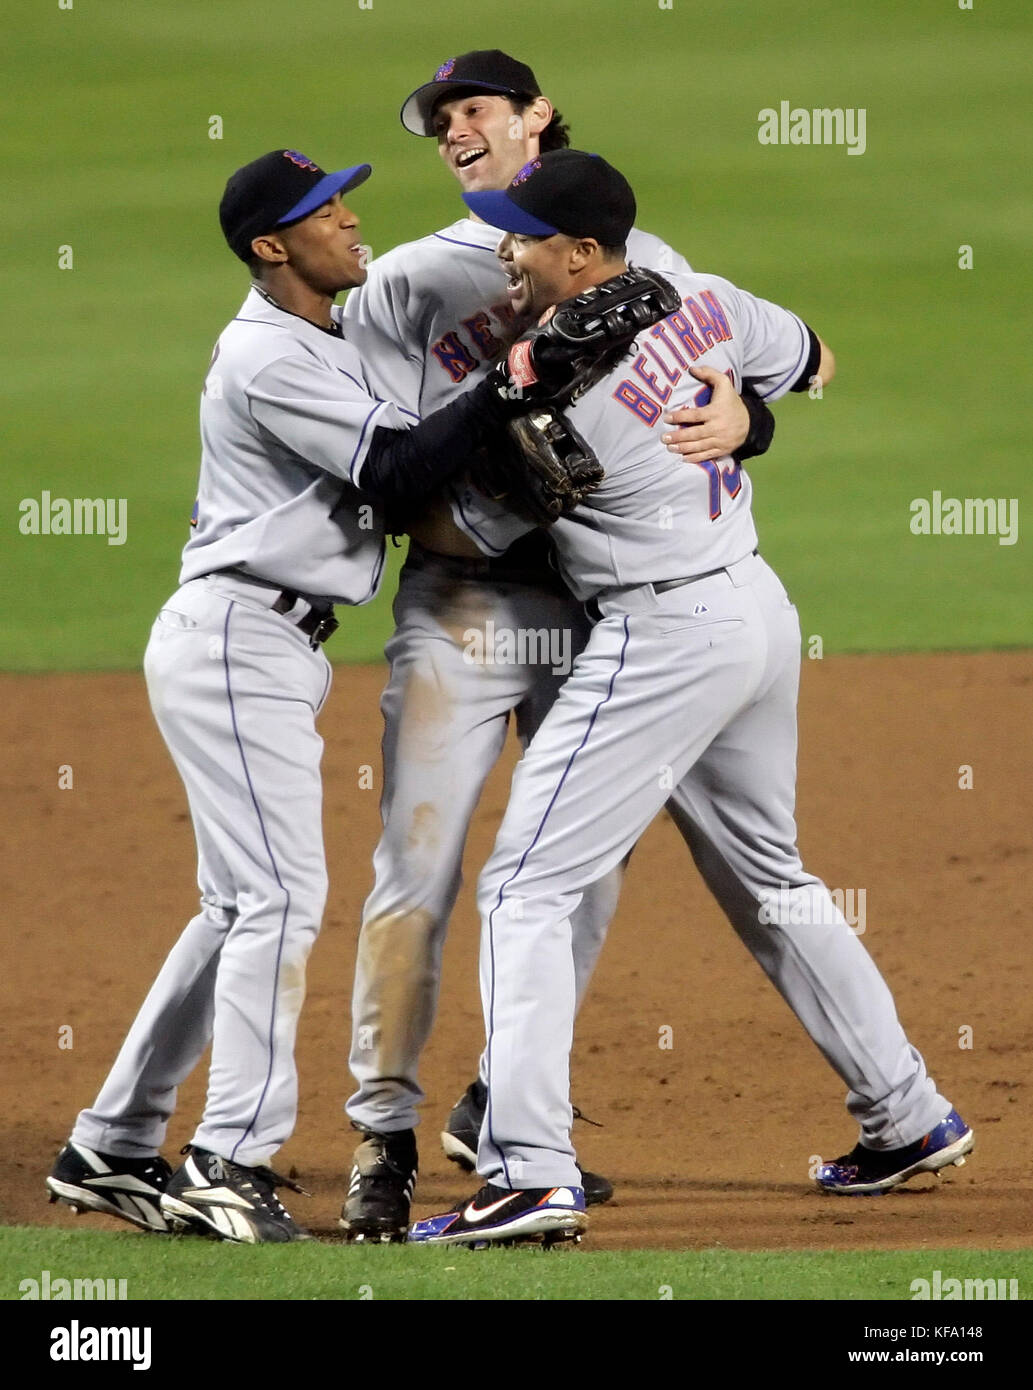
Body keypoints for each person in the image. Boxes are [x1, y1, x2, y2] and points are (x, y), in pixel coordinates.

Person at [407, 149, 974, 1247]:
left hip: (664, 630)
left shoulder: (562, 382)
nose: (505, 252)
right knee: (771, 873)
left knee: (525, 885)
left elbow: (451, 523)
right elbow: (813, 356)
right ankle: (903, 1112)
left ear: (580, 254)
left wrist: (508, 398)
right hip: (755, 608)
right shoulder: (697, 292)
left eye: (522, 237)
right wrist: (742, 406)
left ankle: (526, 1169)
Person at [44, 148, 560, 1244]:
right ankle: (229, 1155)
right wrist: (513, 381)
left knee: (237, 903)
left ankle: (114, 1139)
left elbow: (413, 452)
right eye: (325, 211)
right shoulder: (266, 357)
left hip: (262, 641)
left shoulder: (319, 338)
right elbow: (397, 472)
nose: (350, 218)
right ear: (272, 246)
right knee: (277, 901)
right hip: (240, 633)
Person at [338, 50, 775, 1243]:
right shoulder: (412, 278)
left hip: (599, 608)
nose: (454, 132)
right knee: (417, 871)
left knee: (577, 866)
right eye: (439, 124)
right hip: (463, 601)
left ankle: (504, 1111)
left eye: (472, 109)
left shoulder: (648, 260)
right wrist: (491, 460)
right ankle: (381, 1134)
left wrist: (755, 416)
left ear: (533, 116)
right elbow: (376, 469)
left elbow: (762, 374)